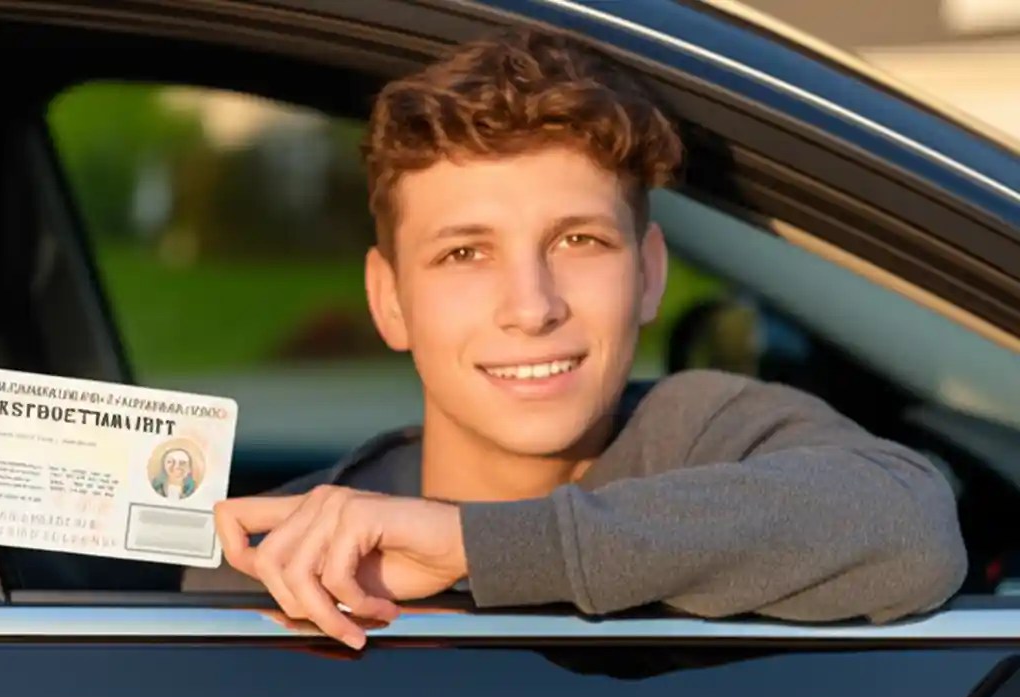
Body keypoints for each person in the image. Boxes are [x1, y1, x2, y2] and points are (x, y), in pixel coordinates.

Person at [184, 27, 967, 650]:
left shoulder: (708, 434)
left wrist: (475, 548)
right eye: (465, 253)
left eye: (578, 242)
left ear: (650, 273)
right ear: (389, 300)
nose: (532, 307)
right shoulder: (285, 556)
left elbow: (910, 531)